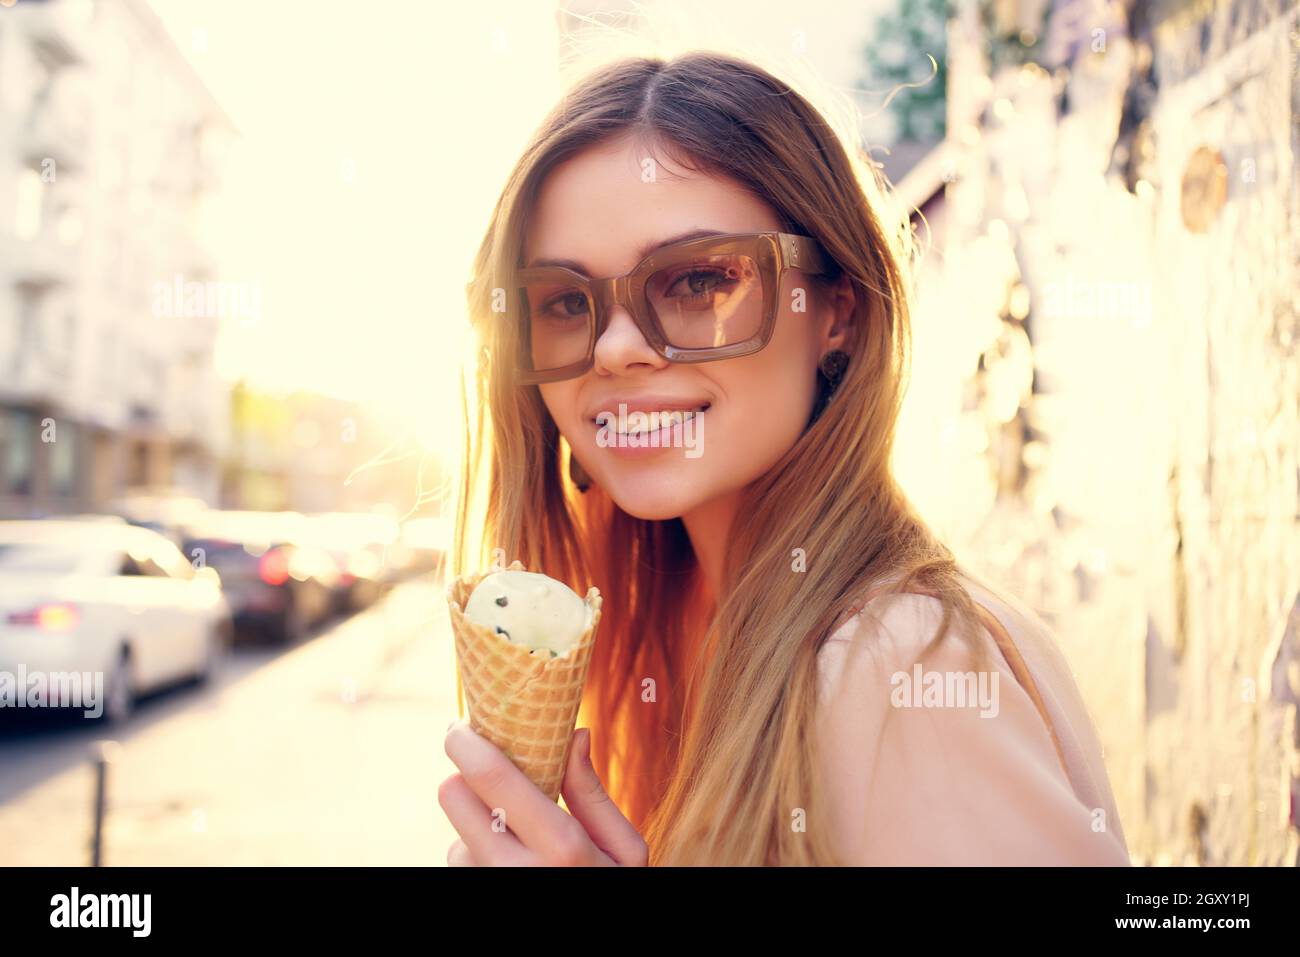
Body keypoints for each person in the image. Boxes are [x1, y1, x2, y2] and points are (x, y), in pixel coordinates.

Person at [438, 50, 1131, 866]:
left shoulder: (899, 663)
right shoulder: (678, 636)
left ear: (836, 309)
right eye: (561, 301)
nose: (616, 346)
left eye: (696, 282)